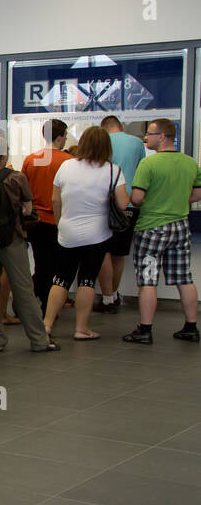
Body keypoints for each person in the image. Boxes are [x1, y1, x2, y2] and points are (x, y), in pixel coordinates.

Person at [0, 127, 59, 354]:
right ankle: (39, 339)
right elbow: (27, 209)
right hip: (12, 239)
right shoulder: (15, 178)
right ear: (5, 155)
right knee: (24, 289)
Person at [42, 126, 127, 340]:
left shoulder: (66, 166)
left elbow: (55, 199)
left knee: (60, 279)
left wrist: (62, 222)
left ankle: (46, 325)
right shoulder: (112, 170)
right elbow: (124, 204)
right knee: (87, 281)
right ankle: (81, 329)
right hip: (97, 235)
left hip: (67, 232)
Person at [122, 119, 201, 344]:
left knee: (147, 280)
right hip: (180, 226)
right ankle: (190, 327)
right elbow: (197, 193)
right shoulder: (189, 162)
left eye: (150, 134)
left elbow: (136, 198)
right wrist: (177, 202)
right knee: (184, 278)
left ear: (163, 137)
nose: (146, 138)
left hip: (152, 228)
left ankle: (145, 330)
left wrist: (151, 202)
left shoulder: (149, 165)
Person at [96, 115, 148, 313]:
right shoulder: (136, 142)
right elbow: (141, 170)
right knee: (119, 254)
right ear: (121, 126)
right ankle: (114, 294)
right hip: (129, 205)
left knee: (103, 251)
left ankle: (107, 297)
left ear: (103, 128)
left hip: (105, 202)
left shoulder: (102, 142)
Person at [21, 119, 72, 302]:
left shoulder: (30, 160)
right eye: (65, 135)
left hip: (35, 220)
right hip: (59, 220)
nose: (66, 139)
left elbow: (23, 193)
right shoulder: (69, 162)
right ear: (59, 137)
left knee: (42, 263)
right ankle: (45, 303)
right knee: (56, 266)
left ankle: (35, 299)